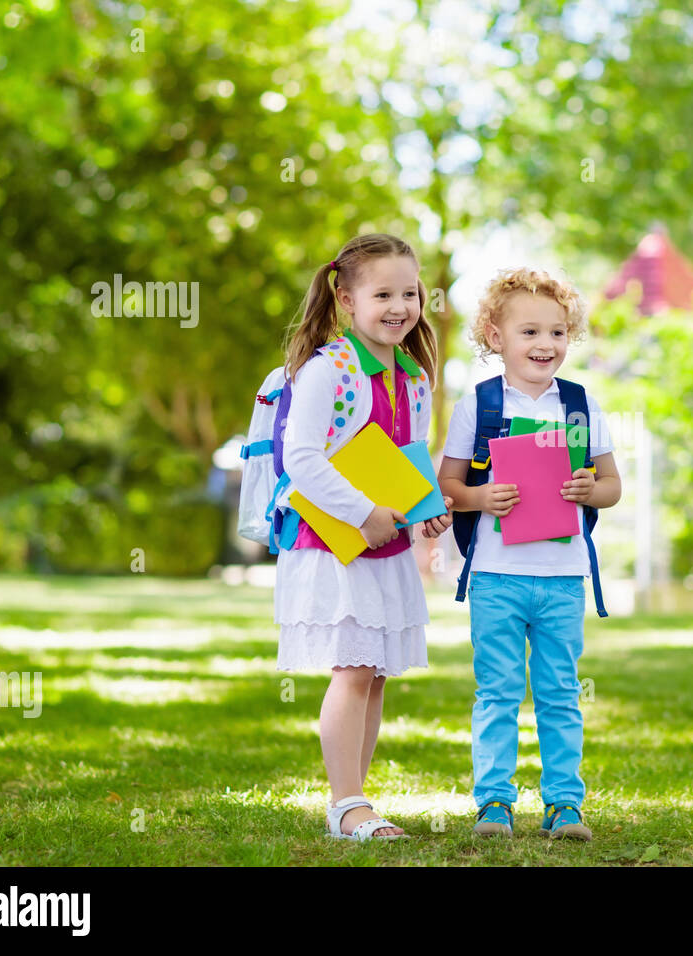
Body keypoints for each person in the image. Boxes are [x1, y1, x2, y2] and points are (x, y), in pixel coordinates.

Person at [274, 233, 453, 841]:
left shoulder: (416, 377)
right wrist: (362, 512)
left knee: (374, 672)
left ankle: (356, 801)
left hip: (388, 544)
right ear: (347, 300)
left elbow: (410, 457)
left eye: (411, 293)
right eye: (384, 294)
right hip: (336, 544)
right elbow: (301, 457)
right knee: (352, 670)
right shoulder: (329, 370)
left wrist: (428, 509)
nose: (401, 306)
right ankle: (346, 805)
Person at [439, 267, 622, 840]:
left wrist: (591, 490)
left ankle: (564, 803)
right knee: (496, 692)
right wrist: (480, 496)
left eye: (558, 333)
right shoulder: (479, 405)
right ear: (495, 337)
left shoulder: (581, 404)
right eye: (530, 333)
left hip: (564, 578)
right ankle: (494, 801)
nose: (546, 345)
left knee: (560, 694)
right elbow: (447, 489)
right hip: (496, 576)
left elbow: (613, 486)